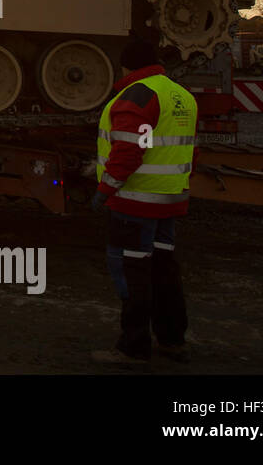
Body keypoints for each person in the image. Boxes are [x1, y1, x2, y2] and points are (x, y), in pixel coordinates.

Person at [91, 35, 196, 366]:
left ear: (126, 65)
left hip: (134, 202)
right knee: (164, 269)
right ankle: (172, 341)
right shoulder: (181, 95)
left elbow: (128, 150)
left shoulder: (137, 94)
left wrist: (104, 189)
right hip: (169, 201)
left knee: (132, 271)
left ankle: (133, 347)